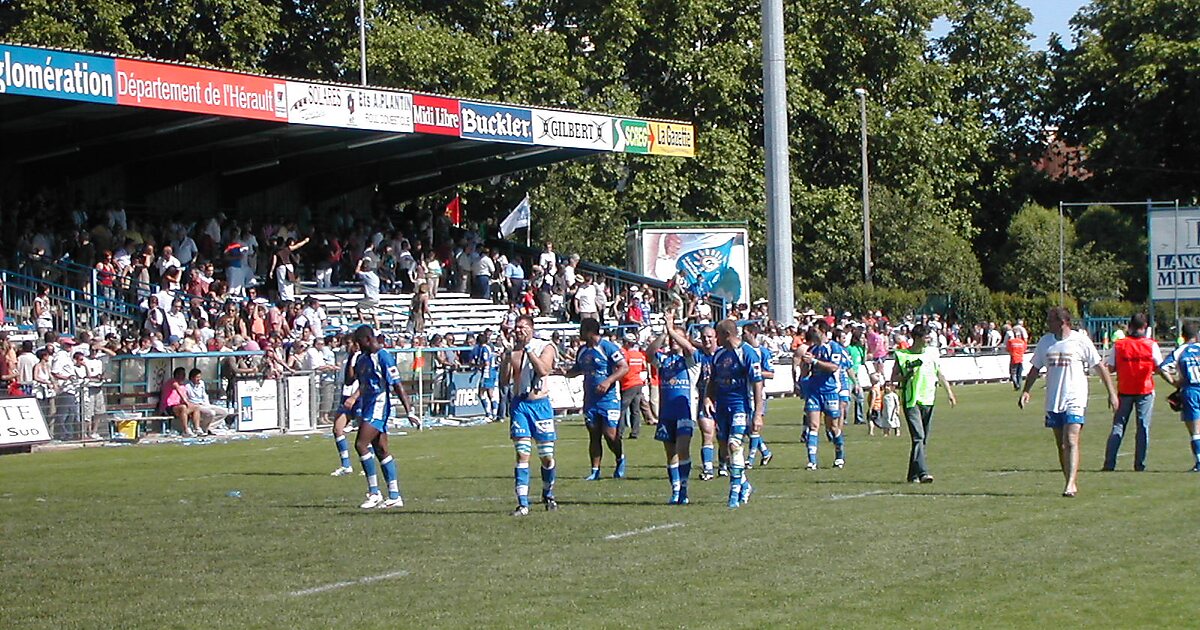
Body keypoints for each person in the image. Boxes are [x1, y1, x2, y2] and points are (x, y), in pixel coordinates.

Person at [1019, 307, 1118, 497]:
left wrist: (1112, 393)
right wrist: (1026, 391)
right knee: (1061, 444)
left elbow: (1099, 366)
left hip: (1075, 397)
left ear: (1062, 322)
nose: (1047, 324)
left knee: (1071, 439)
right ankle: (1068, 480)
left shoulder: (1080, 341)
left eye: (1050, 320)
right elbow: (1035, 368)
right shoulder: (1045, 342)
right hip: (1053, 399)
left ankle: (1071, 484)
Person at [342, 325, 420, 509]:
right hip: (367, 406)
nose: (357, 345)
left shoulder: (383, 356)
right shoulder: (362, 358)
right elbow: (349, 381)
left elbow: (397, 385)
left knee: (361, 444)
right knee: (381, 450)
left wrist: (409, 411)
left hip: (379, 406)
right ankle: (394, 496)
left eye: (358, 342)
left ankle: (374, 493)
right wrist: (351, 357)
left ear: (368, 339)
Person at [499, 315, 559, 516]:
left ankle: (548, 493)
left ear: (532, 328)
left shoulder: (545, 346)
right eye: (516, 327)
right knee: (522, 453)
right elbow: (504, 381)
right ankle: (522, 504)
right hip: (520, 405)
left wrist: (528, 349)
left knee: (546, 456)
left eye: (522, 327)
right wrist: (507, 357)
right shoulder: (513, 351)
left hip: (540, 406)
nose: (518, 330)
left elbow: (543, 370)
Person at [702, 319, 764, 509]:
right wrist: (708, 398)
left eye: (717, 335)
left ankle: (734, 493)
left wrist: (758, 413)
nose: (716, 340)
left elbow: (758, 384)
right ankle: (745, 485)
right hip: (722, 407)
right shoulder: (719, 354)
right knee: (725, 452)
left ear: (726, 335)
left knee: (734, 444)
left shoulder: (747, 353)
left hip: (740, 406)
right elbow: (712, 379)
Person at [891, 324, 958, 483]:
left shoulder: (932, 353)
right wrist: (907, 375)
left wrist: (949, 392)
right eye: (926, 337)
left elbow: (939, 373)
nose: (928, 340)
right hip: (912, 400)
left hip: (928, 399)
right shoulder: (902, 355)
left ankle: (912, 475)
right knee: (918, 437)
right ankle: (923, 473)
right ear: (916, 338)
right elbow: (893, 378)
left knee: (922, 439)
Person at [563, 317, 628, 480]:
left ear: (589, 331)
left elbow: (624, 367)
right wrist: (566, 373)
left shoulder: (607, 347)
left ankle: (620, 458)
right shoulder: (582, 350)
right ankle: (595, 470)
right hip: (590, 399)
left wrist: (608, 381)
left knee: (610, 434)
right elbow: (578, 369)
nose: (579, 333)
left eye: (581, 330)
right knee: (594, 434)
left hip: (608, 399)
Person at [647, 310, 700, 504]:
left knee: (683, 449)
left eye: (677, 337)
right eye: (672, 338)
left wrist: (672, 330)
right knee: (670, 453)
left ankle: (684, 489)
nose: (673, 340)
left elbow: (690, 349)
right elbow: (649, 354)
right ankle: (675, 489)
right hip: (666, 413)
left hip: (685, 412)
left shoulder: (691, 361)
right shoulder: (664, 360)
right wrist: (664, 333)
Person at [1103, 313, 1162, 472]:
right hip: (1145, 390)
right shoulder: (1151, 345)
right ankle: (1139, 464)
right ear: (1145, 327)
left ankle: (1109, 463)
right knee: (1143, 427)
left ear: (1130, 326)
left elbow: (1110, 367)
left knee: (1118, 426)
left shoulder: (1119, 345)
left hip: (1125, 390)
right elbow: (1159, 367)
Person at [797, 321, 851, 470]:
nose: (812, 333)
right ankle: (812, 461)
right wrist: (804, 367)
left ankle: (839, 456)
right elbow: (805, 371)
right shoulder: (812, 349)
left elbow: (834, 367)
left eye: (815, 330)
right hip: (814, 392)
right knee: (813, 425)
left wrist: (814, 361)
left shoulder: (834, 347)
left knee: (832, 427)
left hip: (830, 392)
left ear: (822, 331)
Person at [1159, 322, 1200, 472]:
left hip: (1190, 391)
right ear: (1197, 335)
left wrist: (1174, 383)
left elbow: (1163, 368)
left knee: (1195, 431)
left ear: (1182, 336)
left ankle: (1199, 463)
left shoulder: (1180, 351)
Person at [329, 337, 364, 477]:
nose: (346, 346)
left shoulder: (361, 358)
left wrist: (355, 396)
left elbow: (360, 380)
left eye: (349, 343)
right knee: (337, 429)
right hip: (346, 397)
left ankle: (368, 464)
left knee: (365, 433)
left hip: (359, 398)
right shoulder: (347, 357)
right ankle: (346, 465)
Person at [742, 322, 774, 468]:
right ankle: (765, 452)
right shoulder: (742, 350)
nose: (742, 336)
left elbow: (771, 373)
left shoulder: (763, 352)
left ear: (752, 334)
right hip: (744, 394)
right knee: (747, 428)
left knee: (753, 428)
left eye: (745, 333)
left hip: (758, 394)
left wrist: (754, 371)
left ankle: (750, 459)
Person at [694, 325, 719, 480]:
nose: (706, 340)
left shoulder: (723, 355)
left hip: (723, 400)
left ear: (716, 337)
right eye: (703, 337)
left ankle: (723, 465)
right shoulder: (698, 356)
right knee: (707, 433)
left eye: (710, 336)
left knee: (723, 437)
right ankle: (708, 469)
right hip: (704, 399)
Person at [618, 334, 647, 439]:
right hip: (638, 383)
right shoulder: (639, 355)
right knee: (635, 410)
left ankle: (619, 432)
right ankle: (635, 432)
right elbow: (643, 367)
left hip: (628, 384)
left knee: (622, 409)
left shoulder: (625, 354)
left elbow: (621, 367)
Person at [471, 330, 500, 421]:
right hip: (492, 371)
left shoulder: (484, 349)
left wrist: (478, 366)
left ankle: (490, 414)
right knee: (489, 393)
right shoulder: (488, 347)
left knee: (482, 393)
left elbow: (486, 362)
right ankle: (493, 413)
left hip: (487, 373)